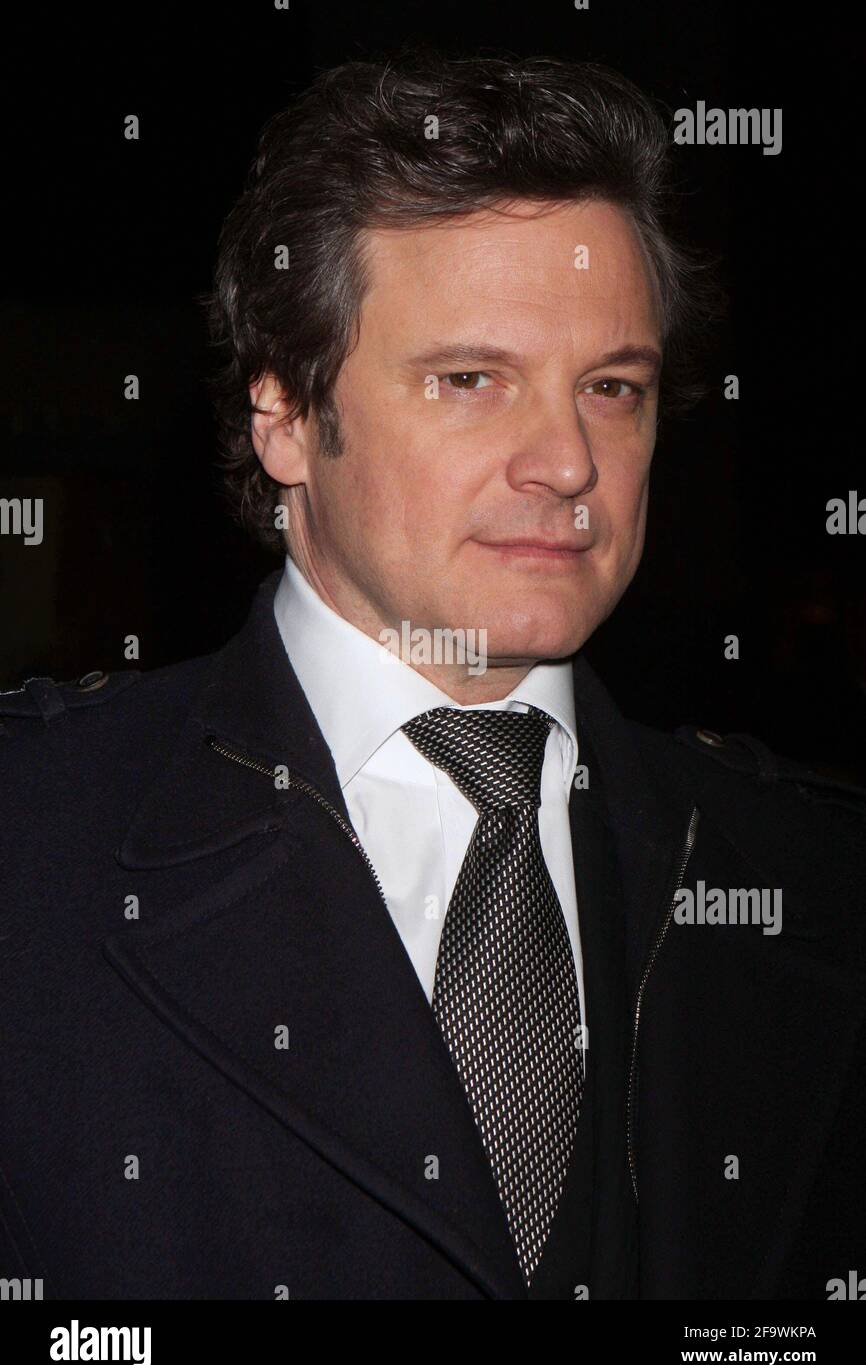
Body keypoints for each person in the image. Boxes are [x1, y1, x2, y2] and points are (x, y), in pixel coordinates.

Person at [1, 51, 863, 1302]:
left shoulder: (807, 879)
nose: (568, 460)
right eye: (471, 380)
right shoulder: (35, 847)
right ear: (285, 416)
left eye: (611, 388)